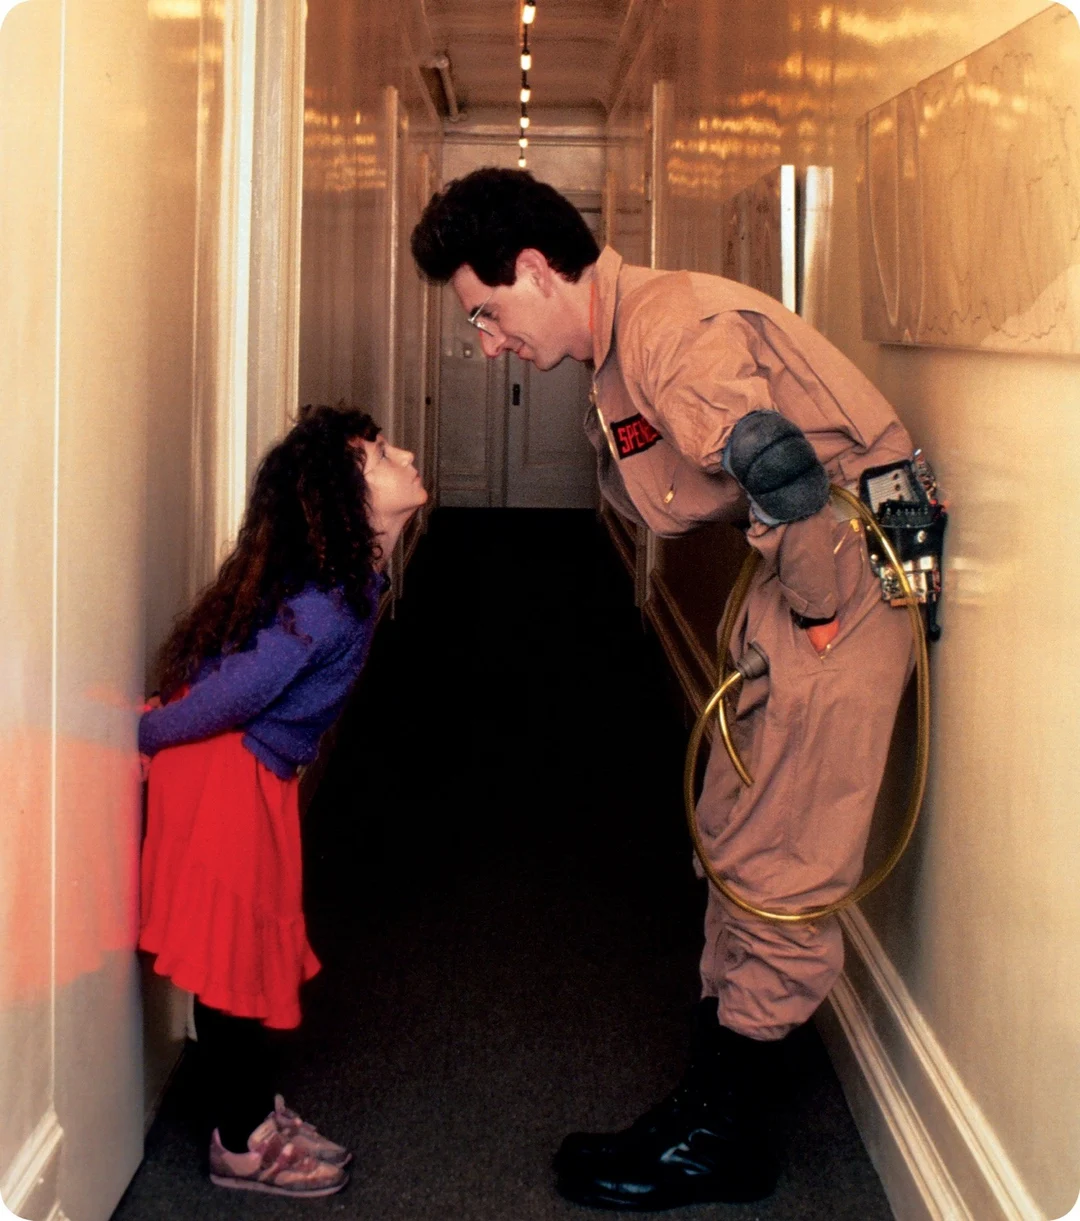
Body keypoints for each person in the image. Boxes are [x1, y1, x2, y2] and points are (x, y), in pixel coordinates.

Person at [410, 168, 920, 1209]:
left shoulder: (664, 326)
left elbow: (773, 465)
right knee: (738, 829)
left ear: (539, 272)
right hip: (803, 574)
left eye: (487, 313)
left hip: (836, 576)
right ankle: (709, 1102)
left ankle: (725, 1142)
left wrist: (820, 612)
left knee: (780, 863)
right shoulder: (625, 339)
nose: (488, 340)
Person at [138, 404, 427, 1198]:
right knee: (233, 965)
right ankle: (239, 1143)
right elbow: (236, 691)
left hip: (256, 778)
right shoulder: (329, 602)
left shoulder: (356, 582)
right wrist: (145, 735)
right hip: (225, 780)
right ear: (346, 498)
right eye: (375, 456)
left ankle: (253, 1110)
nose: (402, 453)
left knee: (251, 953)